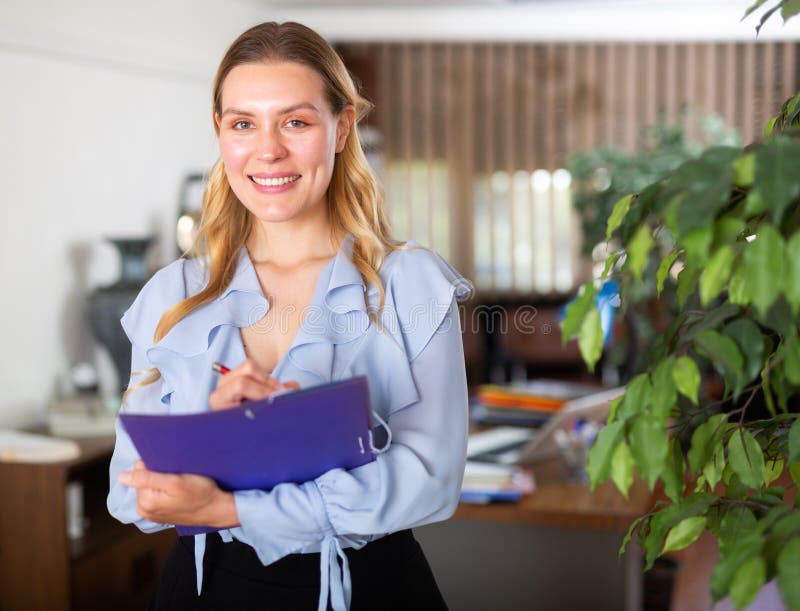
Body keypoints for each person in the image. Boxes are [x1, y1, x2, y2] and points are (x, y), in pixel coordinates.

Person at [107, 20, 472, 611]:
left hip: (370, 591)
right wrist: (210, 431)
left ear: (342, 126)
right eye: (243, 123)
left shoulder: (411, 284)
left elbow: (431, 482)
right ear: (221, 133)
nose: (268, 150)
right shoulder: (171, 294)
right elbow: (131, 496)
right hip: (204, 591)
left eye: (296, 121)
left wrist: (229, 506)